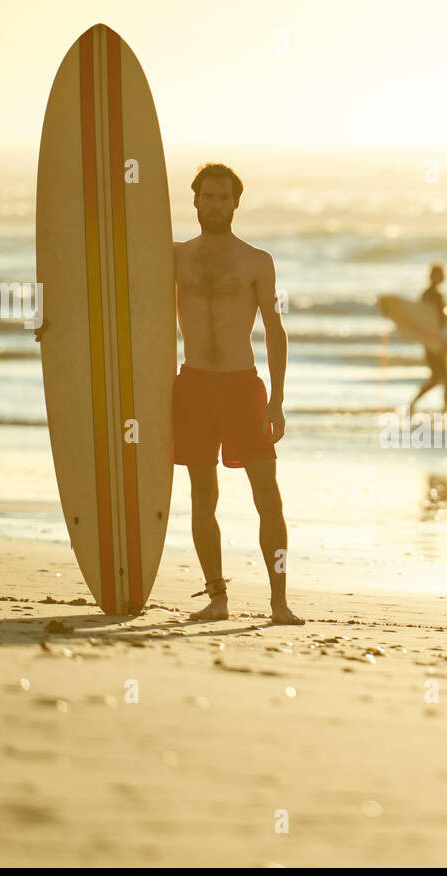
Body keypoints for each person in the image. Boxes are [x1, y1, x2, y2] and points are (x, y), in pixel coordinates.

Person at [172, 163, 303, 625]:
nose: (215, 205)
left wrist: (277, 399)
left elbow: (275, 330)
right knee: (201, 495)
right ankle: (216, 597)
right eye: (207, 197)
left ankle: (279, 601)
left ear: (236, 203)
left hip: (241, 385)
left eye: (224, 198)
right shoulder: (175, 256)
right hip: (191, 385)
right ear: (195, 201)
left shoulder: (256, 261)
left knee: (268, 497)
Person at [409, 262, 447, 412]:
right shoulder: (434, 295)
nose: (443, 277)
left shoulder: (426, 294)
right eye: (440, 274)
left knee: (440, 377)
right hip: (436, 340)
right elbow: (438, 320)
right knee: (442, 377)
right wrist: (443, 339)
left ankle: (416, 404)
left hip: (430, 340)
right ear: (433, 276)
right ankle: (442, 409)